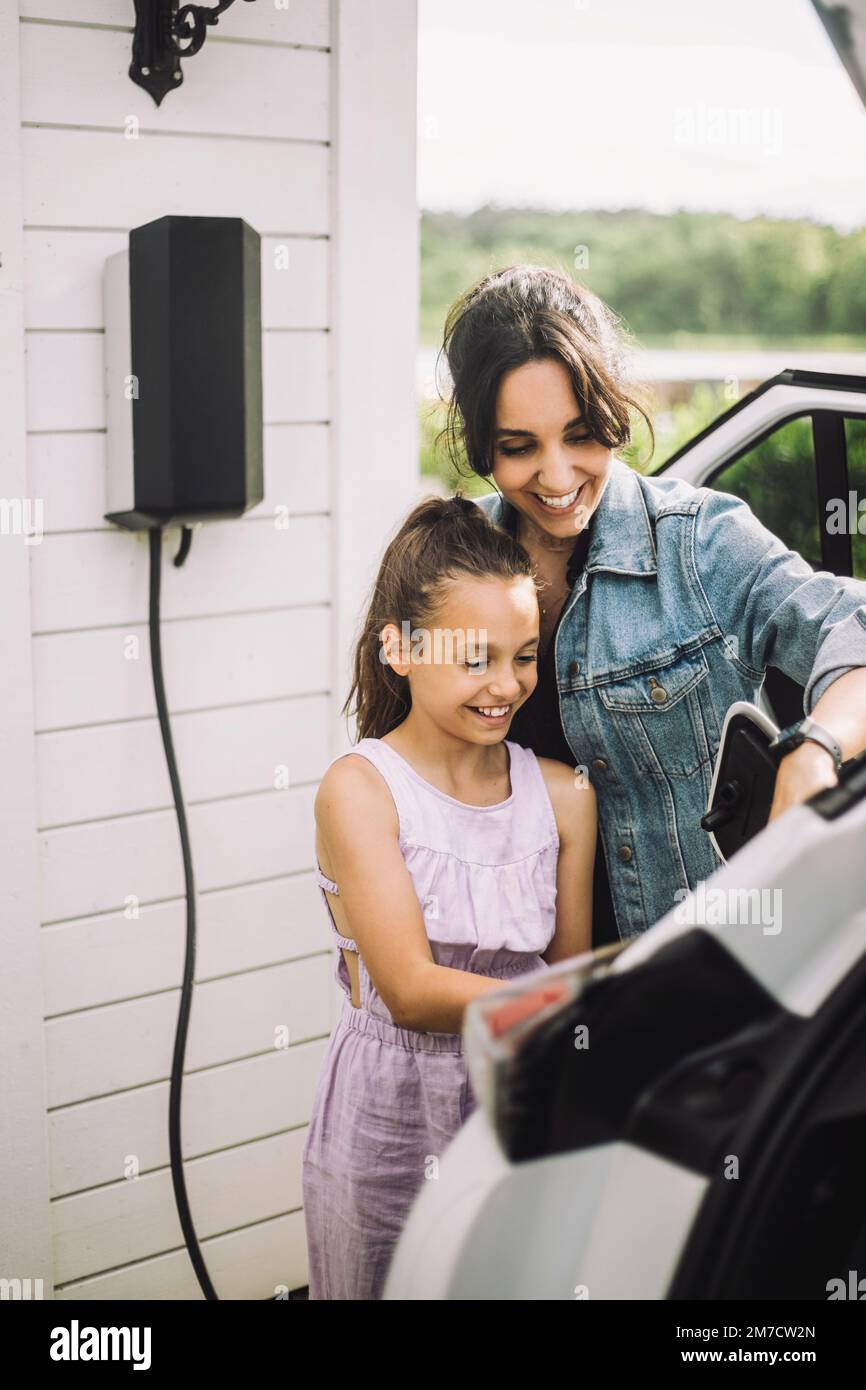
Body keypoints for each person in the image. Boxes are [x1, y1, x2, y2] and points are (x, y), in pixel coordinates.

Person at [437, 264, 866, 943]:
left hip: (696, 967)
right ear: (479, 441)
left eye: (582, 436)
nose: (556, 477)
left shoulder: (701, 542)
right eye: (518, 449)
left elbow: (856, 629)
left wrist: (813, 751)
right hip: (512, 975)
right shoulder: (449, 558)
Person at [301, 493, 597, 1299]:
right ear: (399, 647)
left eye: (525, 656)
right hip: (391, 1116)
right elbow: (410, 989)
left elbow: (568, 964)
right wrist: (597, 999)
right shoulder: (362, 791)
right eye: (477, 659)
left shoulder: (565, 797)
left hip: (521, 1099)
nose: (508, 686)